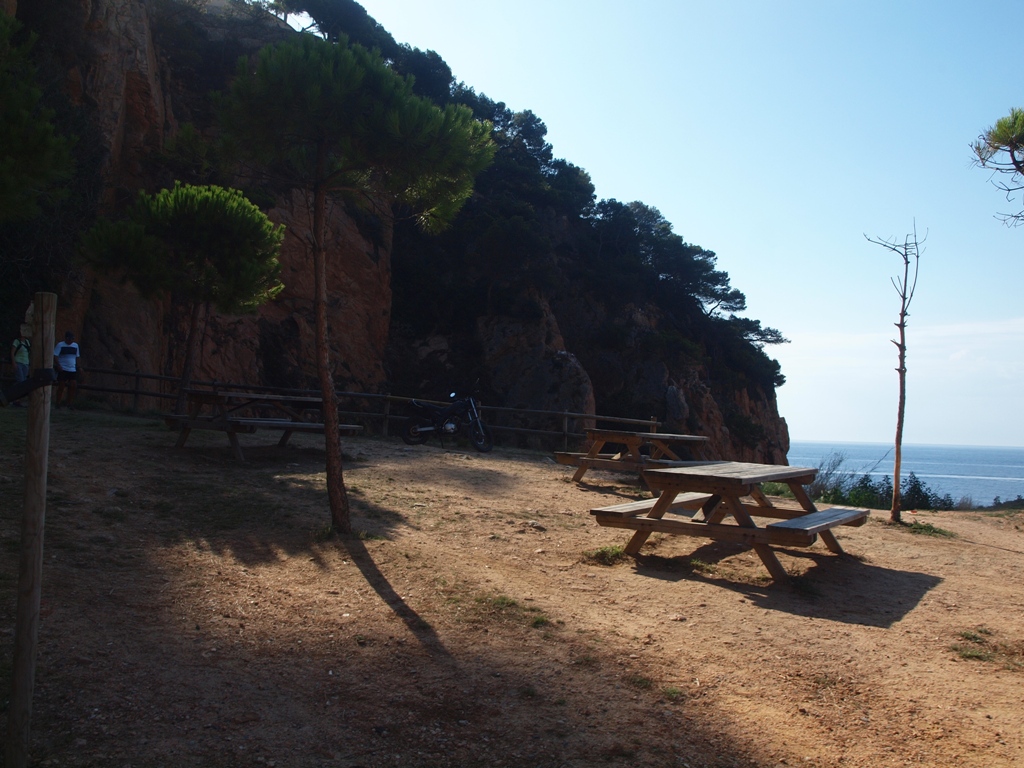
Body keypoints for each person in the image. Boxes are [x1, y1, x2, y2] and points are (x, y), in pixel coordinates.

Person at [53, 330, 81, 409]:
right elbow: (55, 355)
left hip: (72, 369)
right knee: (61, 386)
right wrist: (58, 365)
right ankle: (58, 402)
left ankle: (69, 403)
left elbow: (77, 356)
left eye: (72, 339)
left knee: (73, 385)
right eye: (69, 339)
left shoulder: (75, 346)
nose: (71, 341)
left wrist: (79, 366)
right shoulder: (60, 345)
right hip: (63, 368)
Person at [10, 326, 31, 407]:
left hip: (26, 363)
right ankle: (15, 399)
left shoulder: (27, 342)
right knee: (20, 380)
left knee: (23, 381)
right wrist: (14, 363)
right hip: (18, 362)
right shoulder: (17, 341)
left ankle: (17, 398)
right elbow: (12, 352)